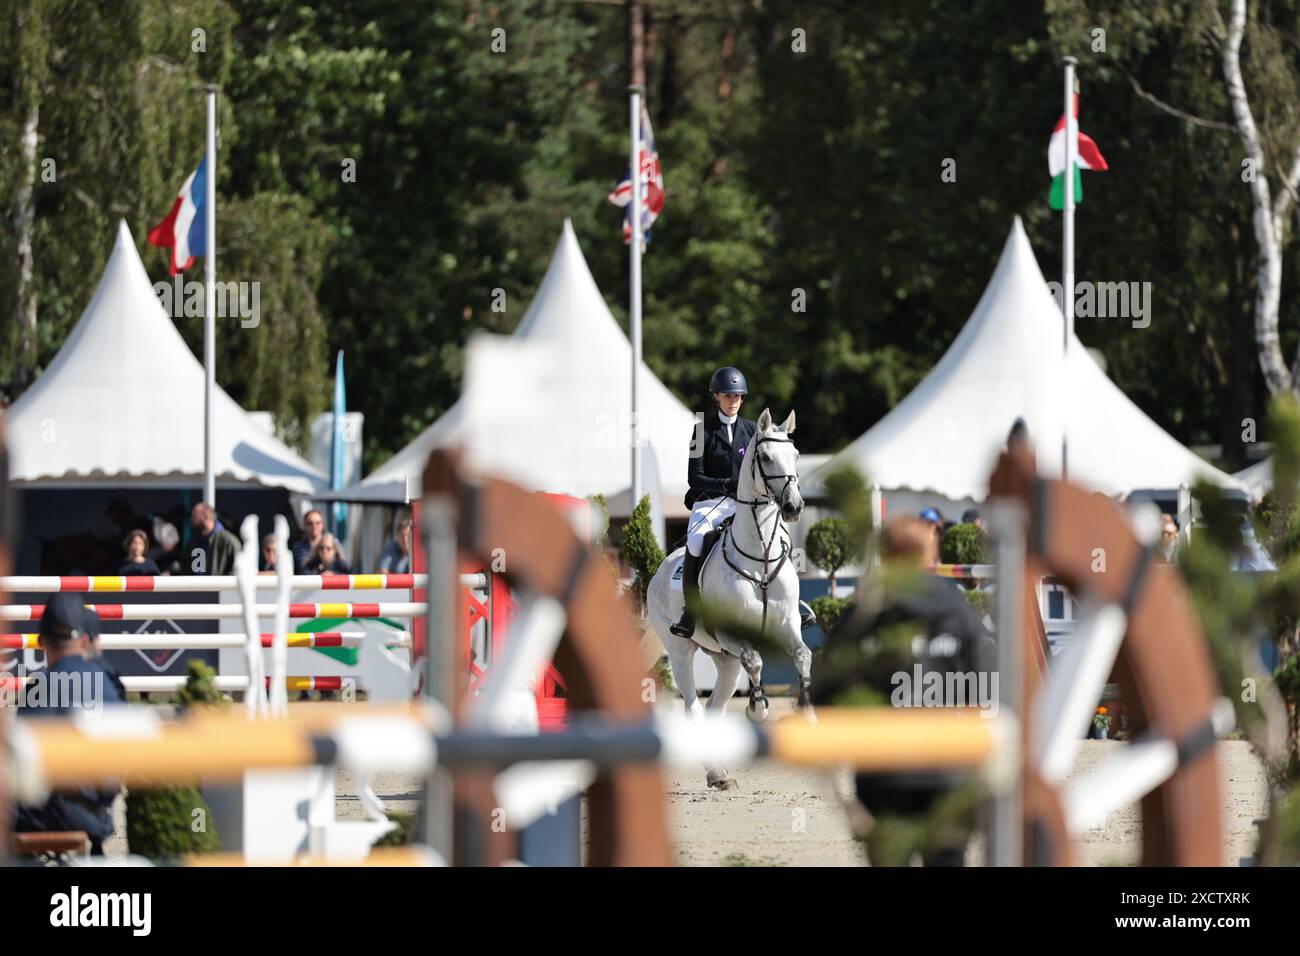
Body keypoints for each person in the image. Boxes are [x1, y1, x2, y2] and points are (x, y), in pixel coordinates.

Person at [812, 517, 996, 866]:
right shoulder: (956, 607)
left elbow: (825, 692)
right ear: (930, 554)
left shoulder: (865, 609)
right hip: (946, 770)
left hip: (882, 772)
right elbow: (986, 685)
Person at [12, 594, 124, 855]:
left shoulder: (40, 686)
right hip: (100, 817)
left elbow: (25, 765)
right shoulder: (107, 682)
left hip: (50, 815)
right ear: (84, 641)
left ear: (42, 641)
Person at [670, 366, 758, 638]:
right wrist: (725, 485)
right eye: (728, 396)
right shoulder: (700, 431)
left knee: (772, 533)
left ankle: (790, 602)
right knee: (696, 540)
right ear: (717, 396)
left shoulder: (753, 430)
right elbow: (694, 478)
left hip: (743, 502)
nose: (734, 401)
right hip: (709, 502)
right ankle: (690, 611)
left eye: (738, 396)